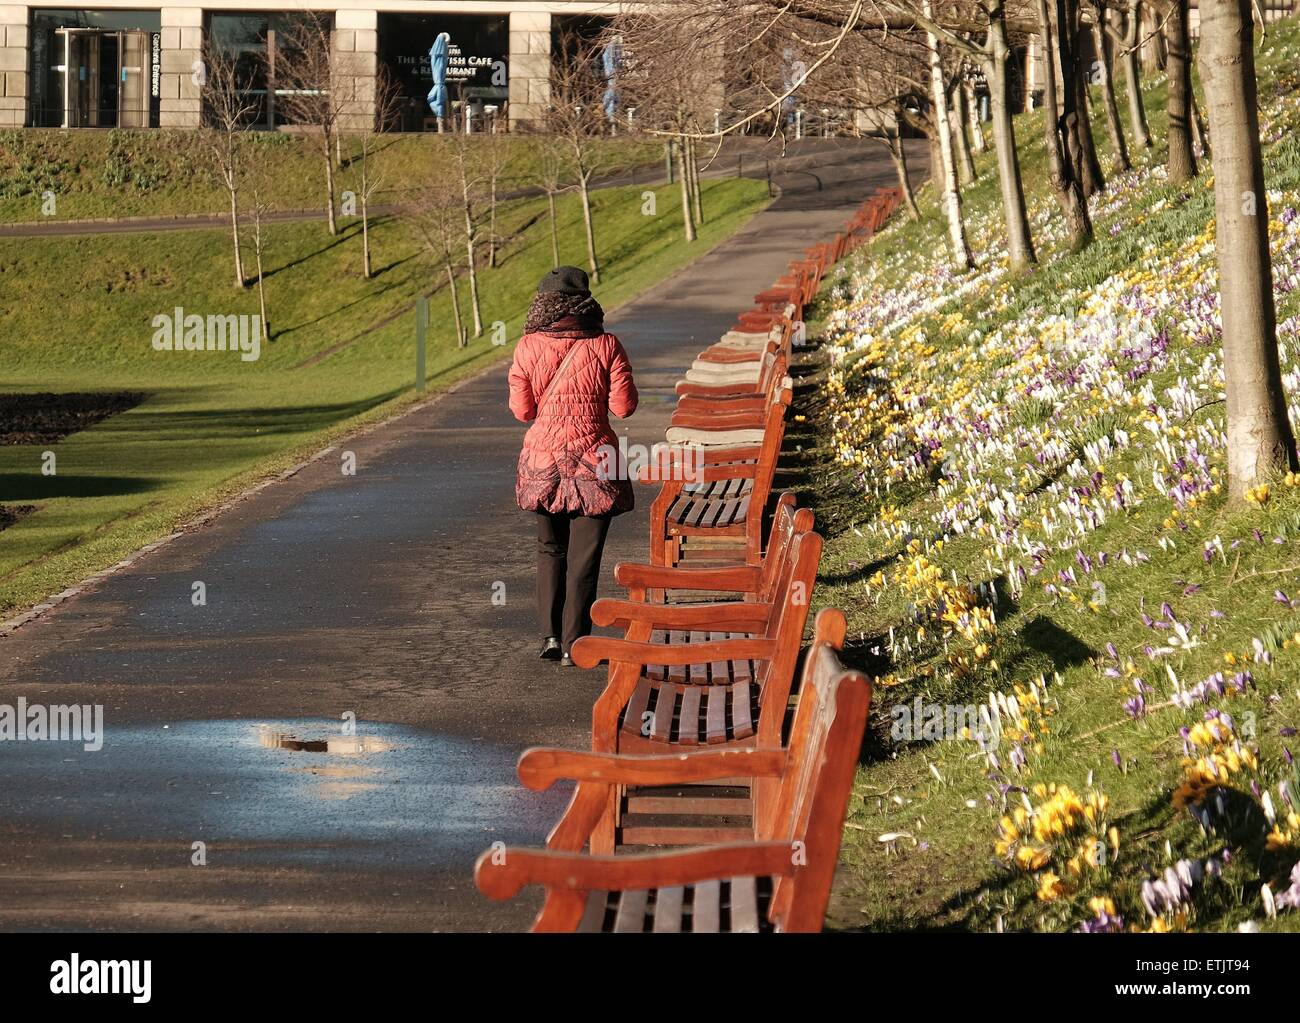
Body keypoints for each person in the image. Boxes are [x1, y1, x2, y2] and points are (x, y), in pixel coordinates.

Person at [508, 266, 638, 666]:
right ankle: (574, 645)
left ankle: (548, 636)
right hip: (595, 464)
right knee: (585, 559)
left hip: (543, 460)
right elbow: (624, 407)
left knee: (550, 549)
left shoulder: (527, 346)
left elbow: (522, 411)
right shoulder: (607, 344)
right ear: (586, 301)